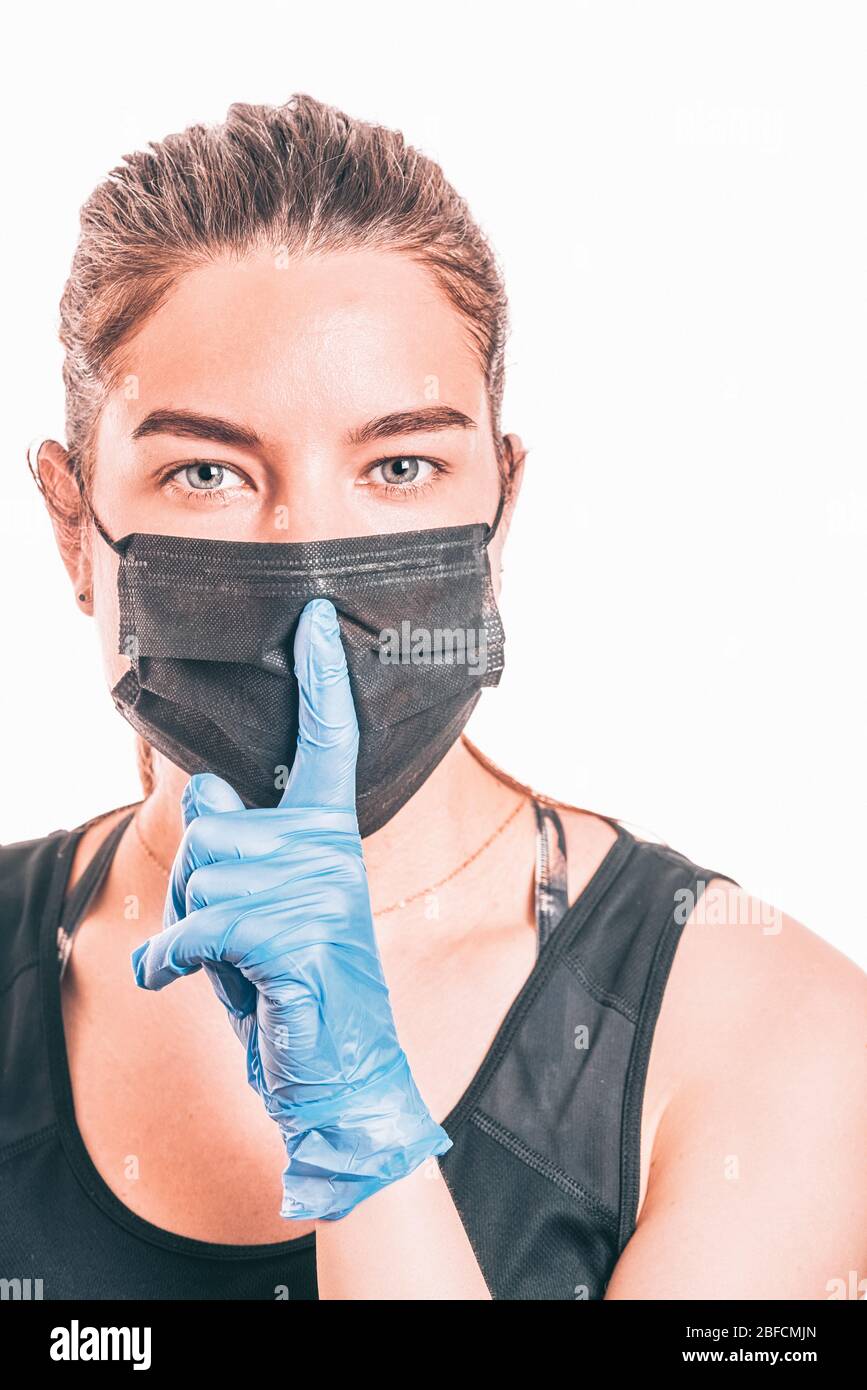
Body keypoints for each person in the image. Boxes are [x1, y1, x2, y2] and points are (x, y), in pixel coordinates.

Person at [2, 93, 864, 1302]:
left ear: (499, 511)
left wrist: (361, 1130)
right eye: (206, 471)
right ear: (66, 524)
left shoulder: (773, 1036)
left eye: (399, 466)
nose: (310, 565)